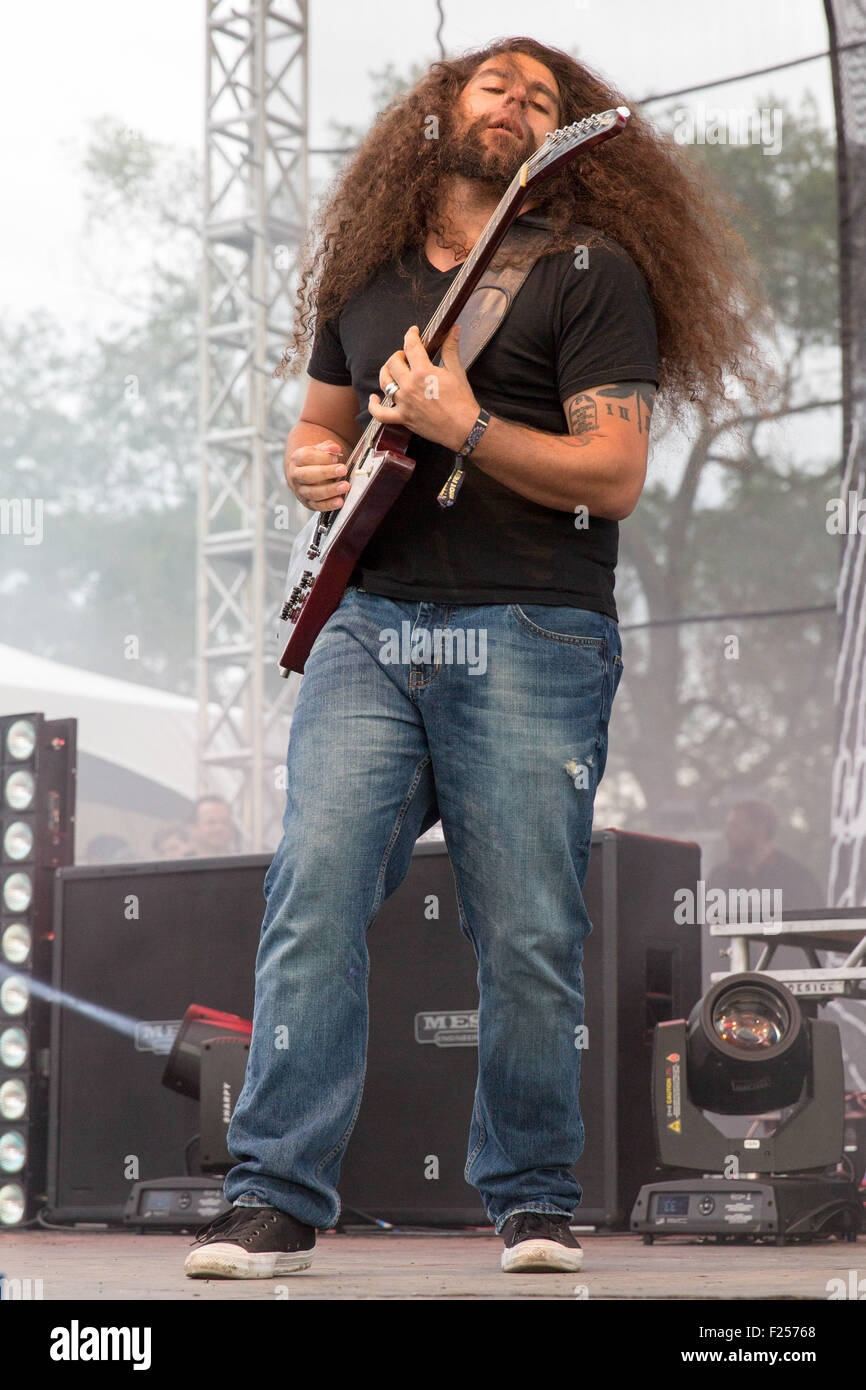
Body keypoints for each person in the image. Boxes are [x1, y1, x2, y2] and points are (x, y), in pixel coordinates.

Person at [185, 37, 767, 1280]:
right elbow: (318, 433)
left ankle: (533, 1197)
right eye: (494, 84)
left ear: (566, 136)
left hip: (534, 628)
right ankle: (271, 1197)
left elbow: (610, 477)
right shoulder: (368, 274)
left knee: (528, 931)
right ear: (440, 111)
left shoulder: (589, 271)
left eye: (542, 98)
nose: (513, 103)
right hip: (369, 626)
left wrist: (468, 423)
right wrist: (308, 465)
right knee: (312, 897)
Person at [707, 799, 823, 915]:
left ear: (761, 828)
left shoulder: (798, 879)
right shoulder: (719, 878)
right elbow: (705, 926)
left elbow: (810, 925)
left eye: (736, 826)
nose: (727, 833)